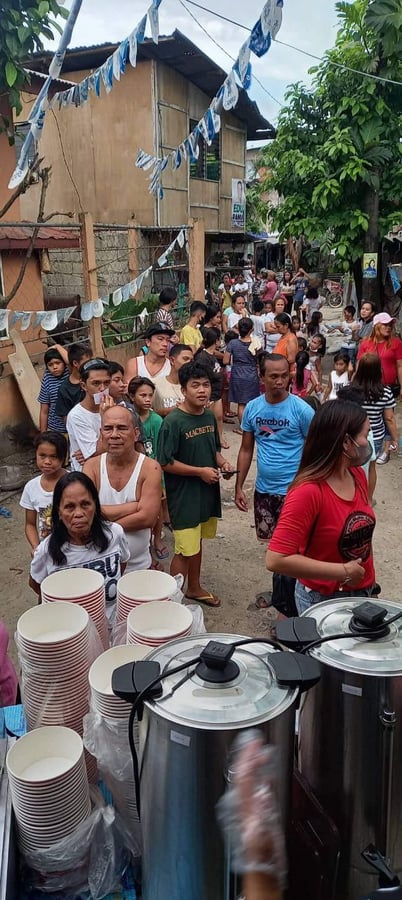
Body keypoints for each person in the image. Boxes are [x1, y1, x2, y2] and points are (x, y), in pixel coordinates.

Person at [266, 400, 376, 613]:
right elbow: (275, 559)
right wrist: (342, 571)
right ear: (346, 442)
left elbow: (360, 536)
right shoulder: (308, 492)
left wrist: (370, 585)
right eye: (366, 434)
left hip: (362, 593)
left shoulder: (358, 475)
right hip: (322, 601)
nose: (368, 442)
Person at [157, 360, 235, 607]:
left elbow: (212, 450)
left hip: (205, 493)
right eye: (195, 386)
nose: (202, 391)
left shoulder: (209, 416)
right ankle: (168, 601)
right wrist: (199, 472)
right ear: (184, 390)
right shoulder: (174, 422)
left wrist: (223, 463)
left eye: (205, 385)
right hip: (184, 497)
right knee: (183, 548)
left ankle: (194, 587)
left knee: (196, 541)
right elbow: (165, 463)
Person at [235, 354, 314, 547]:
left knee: (294, 547)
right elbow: (246, 450)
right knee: (271, 544)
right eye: (273, 376)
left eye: (284, 376)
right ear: (261, 376)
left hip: (295, 491)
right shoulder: (252, 409)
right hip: (264, 490)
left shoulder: (302, 410)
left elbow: (317, 449)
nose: (280, 381)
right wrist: (239, 486)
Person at [29, 472, 131, 617]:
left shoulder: (114, 534)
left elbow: (122, 563)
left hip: (111, 623)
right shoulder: (46, 550)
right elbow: (36, 584)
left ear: (95, 505)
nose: (78, 513)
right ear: (59, 511)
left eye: (85, 504)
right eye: (69, 507)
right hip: (72, 632)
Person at [83, 405, 161, 574]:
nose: (114, 435)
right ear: (101, 433)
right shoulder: (92, 467)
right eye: (108, 428)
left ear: (136, 433)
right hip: (99, 565)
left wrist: (100, 526)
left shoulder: (150, 468)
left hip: (138, 566)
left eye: (122, 428)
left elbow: (147, 518)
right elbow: (86, 513)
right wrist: (133, 507)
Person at [20, 432, 68, 553]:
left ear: (63, 458)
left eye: (53, 456)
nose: (47, 461)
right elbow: (30, 524)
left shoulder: (75, 482)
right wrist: (36, 547)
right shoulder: (31, 488)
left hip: (75, 547)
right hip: (48, 550)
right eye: (42, 455)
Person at [66, 358, 113, 471]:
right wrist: (106, 417)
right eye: (96, 383)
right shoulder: (76, 416)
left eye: (106, 383)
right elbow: (95, 453)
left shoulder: (116, 408)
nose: (102, 388)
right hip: (88, 476)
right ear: (83, 386)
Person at [353, 352, 398, 460]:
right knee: (370, 463)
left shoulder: (351, 390)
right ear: (378, 370)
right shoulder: (385, 392)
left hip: (355, 434)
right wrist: (395, 438)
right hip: (375, 435)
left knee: (356, 466)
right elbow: (389, 418)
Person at [223, 319, 261, 433]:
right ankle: (253, 425)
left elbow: (225, 360)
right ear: (252, 330)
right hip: (252, 374)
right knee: (252, 402)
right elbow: (260, 360)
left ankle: (243, 428)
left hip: (238, 374)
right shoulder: (256, 343)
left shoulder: (233, 343)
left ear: (238, 329)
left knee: (241, 403)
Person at [357, 311, 402, 398]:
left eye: (390, 325)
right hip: (368, 386)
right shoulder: (366, 343)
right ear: (377, 326)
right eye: (385, 325)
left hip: (388, 387)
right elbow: (359, 365)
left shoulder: (396, 343)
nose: (388, 327)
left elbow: (400, 366)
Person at [195, 328, 227, 448]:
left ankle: (219, 438)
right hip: (210, 394)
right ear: (216, 341)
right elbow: (203, 378)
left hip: (217, 393)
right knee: (207, 419)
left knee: (218, 417)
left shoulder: (212, 355)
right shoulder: (202, 358)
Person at [55, 342, 92, 421]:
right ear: (75, 363)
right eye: (87, 362)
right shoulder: (65, 389)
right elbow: (66, 419)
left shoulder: (93, 380)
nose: (90, 365)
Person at [153, 344, 193, 416]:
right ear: (172, 360)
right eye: (185, 359)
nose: (189, 363)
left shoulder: (194, 386)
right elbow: (148, 414)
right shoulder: (155, 384)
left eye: (191, 360)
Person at [38, 348, 68, 433]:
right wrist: (43, 433)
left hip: (75, 428)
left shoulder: (71, 374)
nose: (55, 367)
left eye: (58, 363)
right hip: (55, 430)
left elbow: (71, 361)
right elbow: (44, 411)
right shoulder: (47, 379)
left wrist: (58, 346)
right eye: (50, 364)